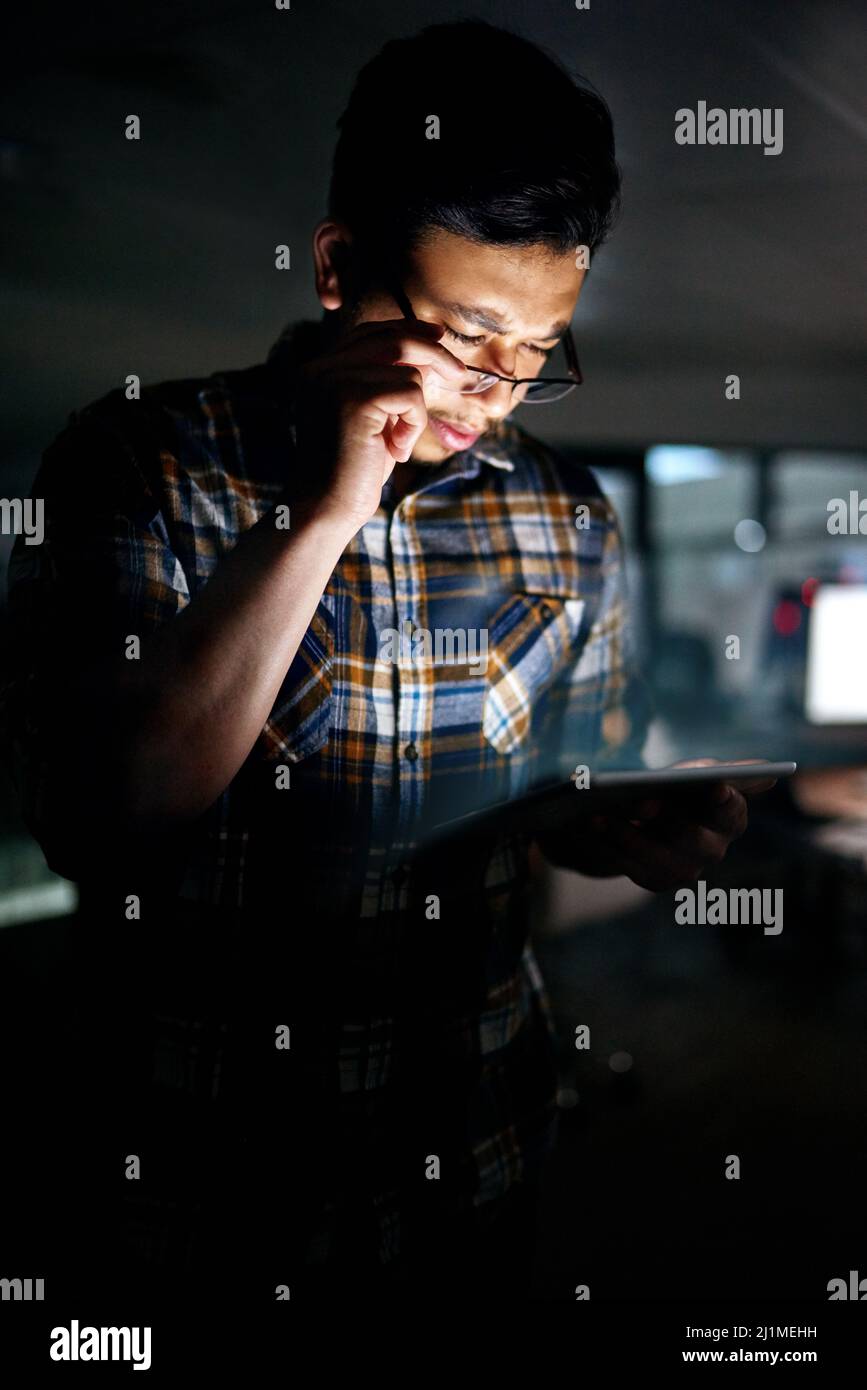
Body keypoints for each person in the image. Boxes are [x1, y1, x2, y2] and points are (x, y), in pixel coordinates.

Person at [0, 20, 764, 1303]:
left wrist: (632, 824)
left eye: (537, 352)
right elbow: (104, 816)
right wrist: (322, 511)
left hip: (474, 1152)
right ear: (342, 266)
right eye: (470, 336)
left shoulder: (567, 513)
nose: (498, 391)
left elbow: (571, 794)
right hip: (201, 1182)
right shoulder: (139, 461)